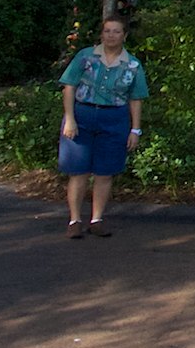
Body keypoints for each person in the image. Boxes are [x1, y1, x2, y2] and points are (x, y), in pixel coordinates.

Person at [58, 15, 147, 238]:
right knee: (78, 171)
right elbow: (69, 86)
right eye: (107, 31)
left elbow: (136, 98)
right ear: (101, 34)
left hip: (114, 118)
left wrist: (135, 129)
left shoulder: (133, 65)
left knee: (104, 172)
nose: (111, 36)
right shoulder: (86, 56)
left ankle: (96, 219)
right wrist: (70, 118)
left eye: (116, 31)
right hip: (82, 115)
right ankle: (74, 220)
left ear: (124, 35)